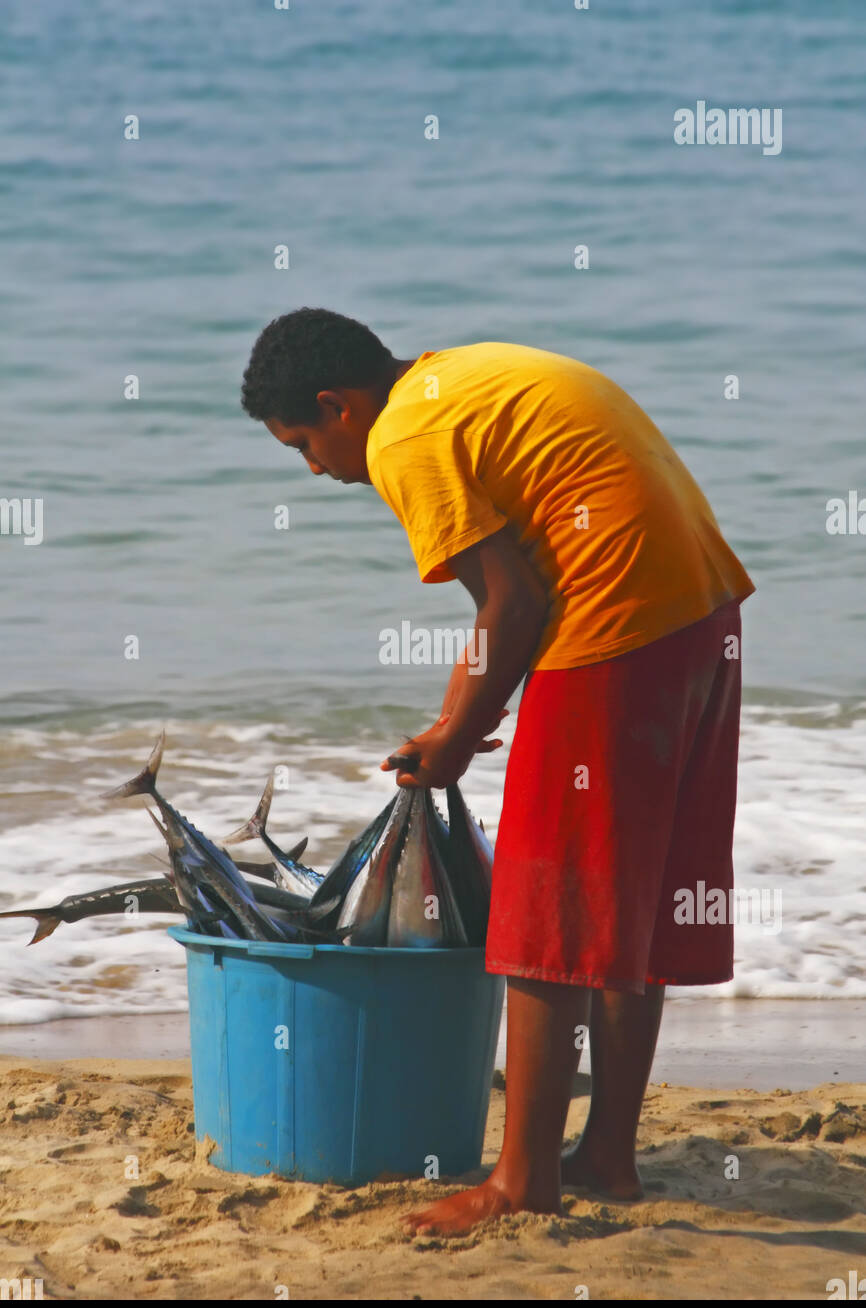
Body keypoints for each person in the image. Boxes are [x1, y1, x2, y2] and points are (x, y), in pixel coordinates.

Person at [241, 306, 756, 1236]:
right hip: (702, 611)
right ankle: (607, 1153)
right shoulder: (460, 375)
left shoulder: (405, 436)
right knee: (624, 900)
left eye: (303, 443)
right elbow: (506, 598)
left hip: (616, 625)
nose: (313, 469)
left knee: (546, 908)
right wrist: (458, 721)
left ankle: (521, 1183)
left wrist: (453, 737)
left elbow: (516, 607)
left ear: (338, 405)